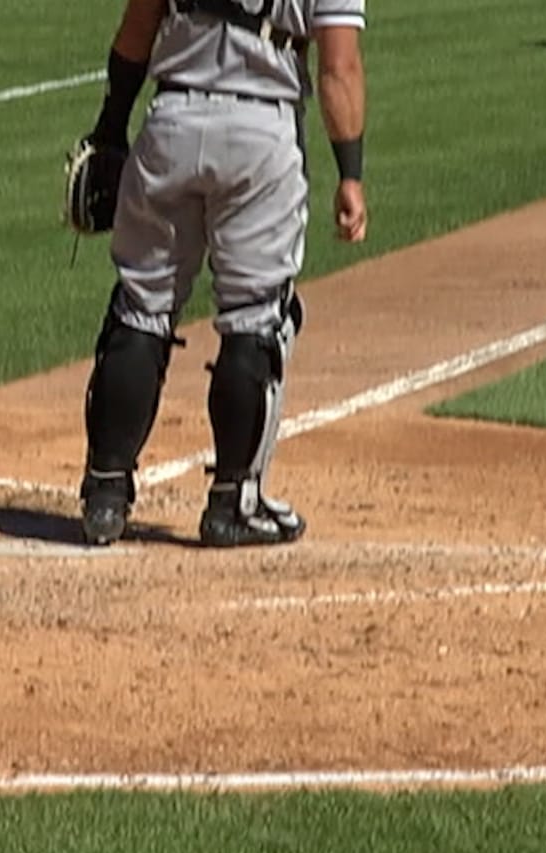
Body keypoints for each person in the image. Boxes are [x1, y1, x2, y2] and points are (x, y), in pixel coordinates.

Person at [75, 0, 368, 547]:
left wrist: (111, 130)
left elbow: (137, 28)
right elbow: (339, 67)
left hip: (172, 123)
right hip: (262, 133)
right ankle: (235, 503)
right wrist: (350, 175)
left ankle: (105, 495)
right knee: (257, 318)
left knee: (141, 307)